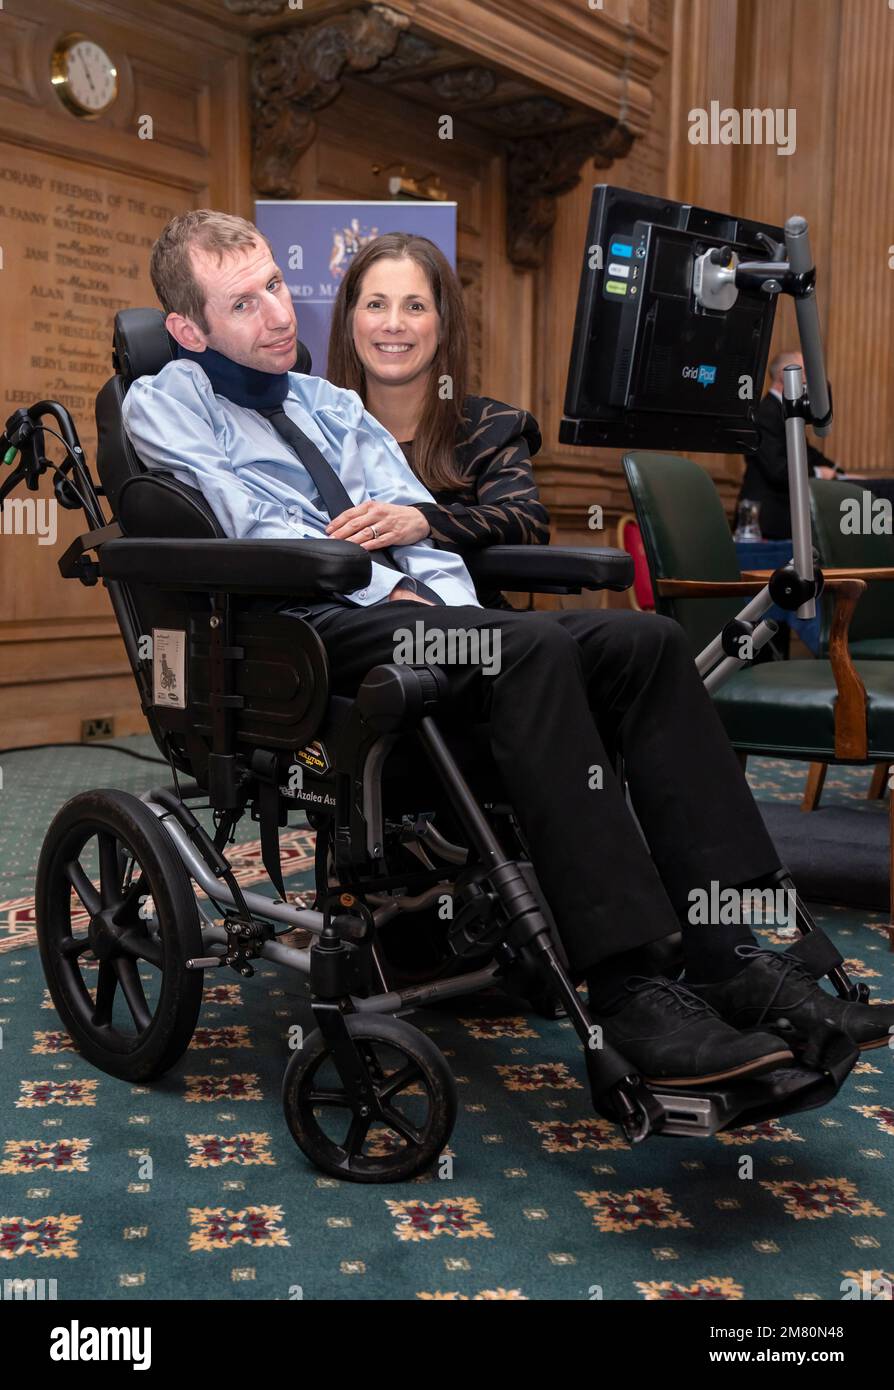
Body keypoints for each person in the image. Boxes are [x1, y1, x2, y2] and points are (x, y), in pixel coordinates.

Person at [122, 210, 894, 1090]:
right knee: (521, 648)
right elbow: (255, 529)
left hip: (407, 609)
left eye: (273, 285)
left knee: (643, 642)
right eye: (242, 303)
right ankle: (628, 987)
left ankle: (732, 951)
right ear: (188, 329)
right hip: (306, 627)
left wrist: (441, 602)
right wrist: (394, 590)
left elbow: (424, 534)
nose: (276, 314)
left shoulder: (330, 404)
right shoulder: (168, 405)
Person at [325, 231, 549, 608]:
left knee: (649, 634)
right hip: (352, 630)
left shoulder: (491, 426)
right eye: (376, 305)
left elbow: (527, 521)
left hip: (477, 627)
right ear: (350, 322)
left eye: (415, 307)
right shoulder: (312, 429)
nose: (393, 324)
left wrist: (425, 521)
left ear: (443, 326)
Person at [737, 350, 844, 540]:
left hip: (783, 516)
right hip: (766, 521)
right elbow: (778, 469)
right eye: (804, 373)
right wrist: (820, 474)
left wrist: (839, 471)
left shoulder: (785, 411)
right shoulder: (765, 412)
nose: (808, 381)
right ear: (784, 376)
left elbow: (807, 452)